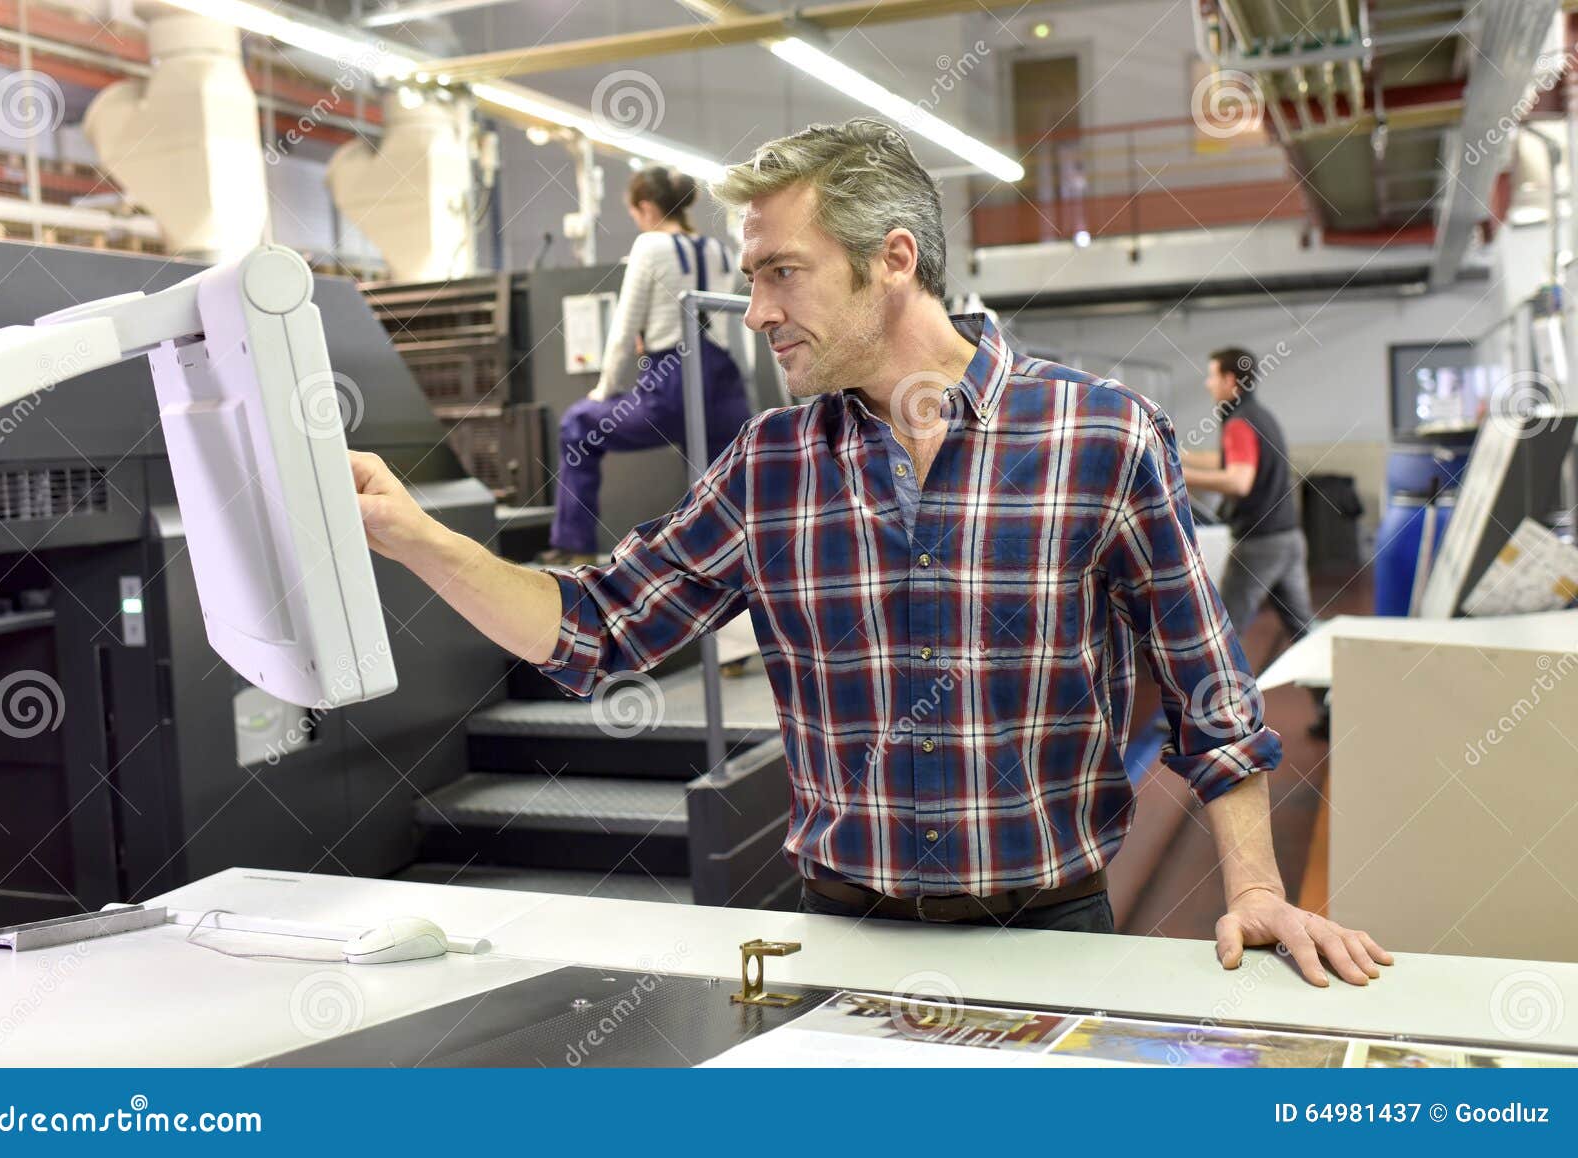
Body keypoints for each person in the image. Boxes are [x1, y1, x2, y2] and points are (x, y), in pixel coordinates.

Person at [351, 120, 1389, 987]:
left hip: (1051, 934)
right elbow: (593, 630)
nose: (756, 312)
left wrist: (1255, 889)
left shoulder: (1100, 437)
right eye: (751, 276)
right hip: (840, 939)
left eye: (781, 273)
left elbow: (1211, 695)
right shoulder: (769, 466)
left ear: (893, 260)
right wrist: (418, 539)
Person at [540, 167, 751, 566]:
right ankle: (737, 556)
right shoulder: (720, 250)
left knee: (578, 423)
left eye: (635, 212)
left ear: (648, 208)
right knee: (719, 471)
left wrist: (604, 390)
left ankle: (575, 543)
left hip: (671, 381)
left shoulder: (650, 246)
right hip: (725, 385)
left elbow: (624, 330)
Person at [1179, 349, 1328, 738]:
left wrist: (1181, 477)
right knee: (1302, 628)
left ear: (1230, 380)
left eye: (1212, 376)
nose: (1208, 383)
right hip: (1289, 537)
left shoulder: (1240, 423)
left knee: (1222, 631)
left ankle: (1210, 718)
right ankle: (1331, 707)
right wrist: (1182, 457)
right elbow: (1233, 462)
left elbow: (1239, 481)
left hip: (1261, 544)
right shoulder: (1258, 417)